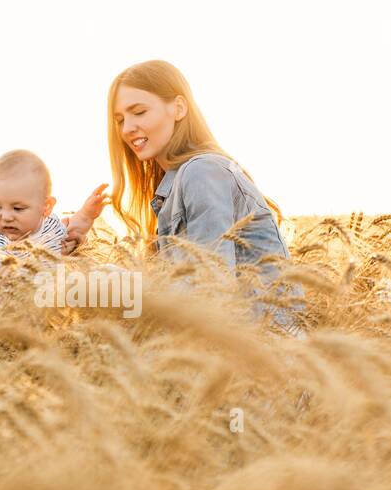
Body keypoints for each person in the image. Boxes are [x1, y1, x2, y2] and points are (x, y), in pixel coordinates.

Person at [86, 59, 304, 331]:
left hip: (261, 353)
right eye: (120, 120)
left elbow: (212, 288)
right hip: (235, 351)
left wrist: (124, 288)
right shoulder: (174, 185)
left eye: (139, 112)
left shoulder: (202, 171)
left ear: (178, 108)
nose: (127, 128)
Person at [0, 149, 108, 270]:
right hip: (25, 295)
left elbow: (74, 230)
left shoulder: (50, 226)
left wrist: (87, 214)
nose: (6, 217)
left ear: (46, 207)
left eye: (18, 208)